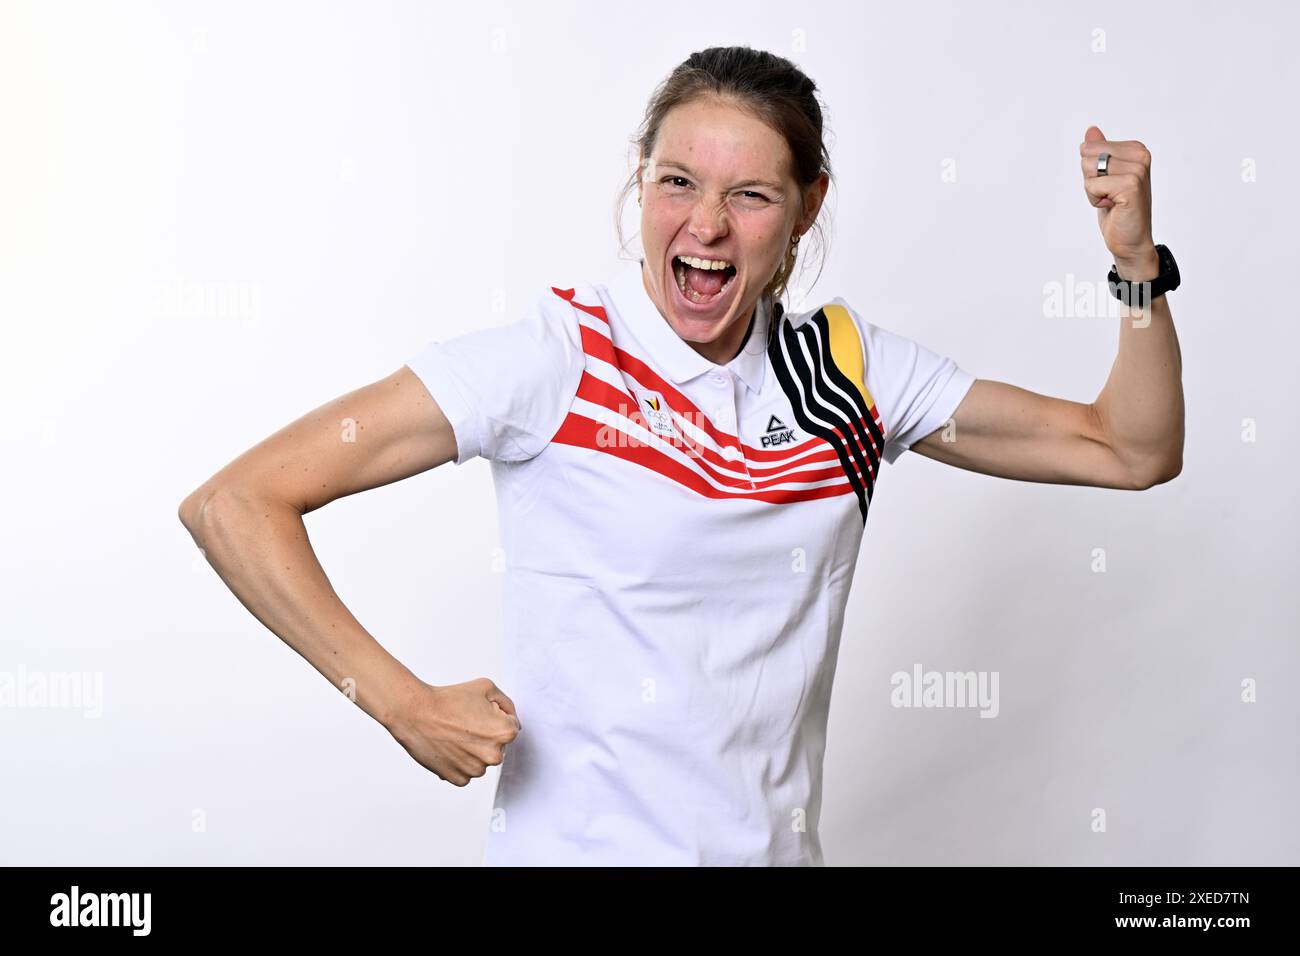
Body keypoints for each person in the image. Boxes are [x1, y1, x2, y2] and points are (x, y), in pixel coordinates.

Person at [178, 46, 1184, 866]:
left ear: (805, 206)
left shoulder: (848, 372)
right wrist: (396, 699)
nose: (703, 225)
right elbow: (236, 501)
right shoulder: (557, 357)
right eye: (676, 182)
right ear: (640, 181)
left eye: (748, 194)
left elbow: (1129, 449)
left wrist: (1135, 267)